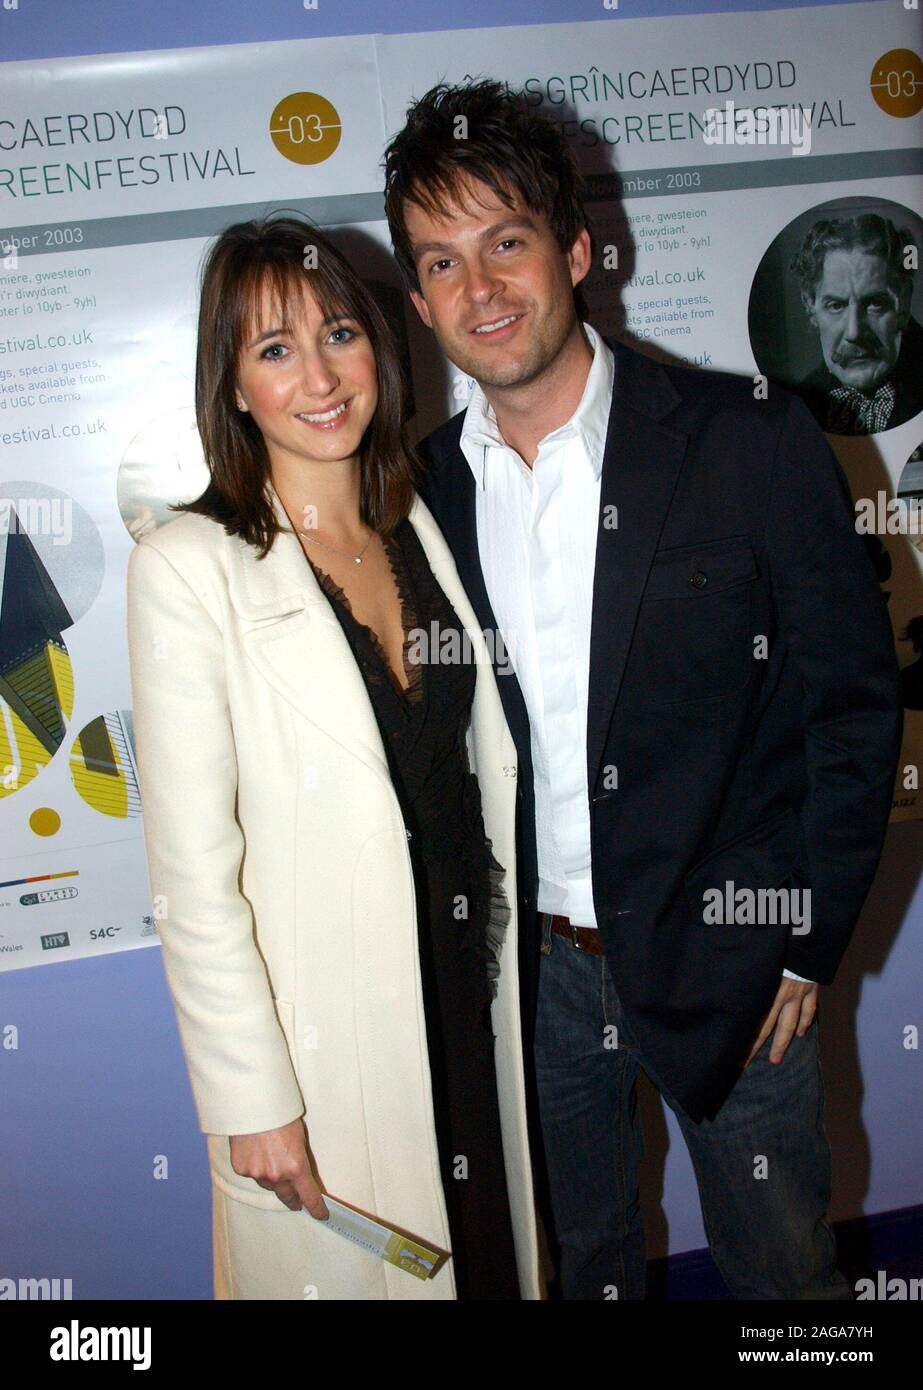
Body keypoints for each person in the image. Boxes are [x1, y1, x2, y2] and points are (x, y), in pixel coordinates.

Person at [382, 81, 903, 1300]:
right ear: (417, 299)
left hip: (733, 954)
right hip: (534, 975)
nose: (482, 290)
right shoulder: (414, 498)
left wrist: (807, 943)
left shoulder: (748, 439)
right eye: (442, 262)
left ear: (574, 249)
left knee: (784, 1277)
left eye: (506, 241)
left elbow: (851, 705)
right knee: (583, 1266)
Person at [125, 214, 542, 1301]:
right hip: (327, 1043)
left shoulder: (417, 525)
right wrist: (251, 1097)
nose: (318, 374)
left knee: (490, 1266)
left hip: (464, 998)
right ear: (232, 387)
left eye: (340, 333)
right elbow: (191, 880)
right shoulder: (188, 568)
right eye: (273, 349)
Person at [789, 213, 923, 436]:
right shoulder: (796, 408)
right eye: (835, 306)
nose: (854, 332)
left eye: (875, 304)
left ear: (904, 302)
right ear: (810, 306)